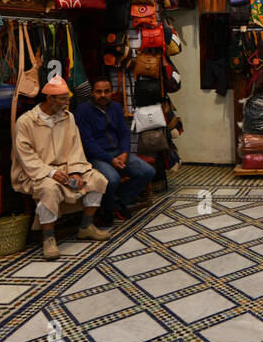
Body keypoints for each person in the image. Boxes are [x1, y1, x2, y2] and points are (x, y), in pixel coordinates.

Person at [11, 75, 111, 260]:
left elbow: (75, 147)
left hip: (67, 168)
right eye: (64, 99)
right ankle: (48, 238)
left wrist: (75, 171)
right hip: (36, 172)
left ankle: (86, 227)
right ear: (50, 99)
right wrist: (51, 172)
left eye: (68, 98)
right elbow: (25, 156)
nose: (67, 103)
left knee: (98, 179)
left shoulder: (68, 117)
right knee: (48, 189)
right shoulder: (26, 122)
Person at [75, 77, 155, 226]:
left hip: (118, 152)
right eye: (99, 92)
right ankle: (107, 209)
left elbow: (124, 133)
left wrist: (125, 153)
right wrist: (110, 159)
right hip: (96, 156)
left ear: (112, 93)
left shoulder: (116, 107)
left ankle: (119, 202)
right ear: (92, 93)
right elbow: (87, 142)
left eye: (106, 91)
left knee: (148, 171)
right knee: (112, 180)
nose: (103, 95)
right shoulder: (83, 111)